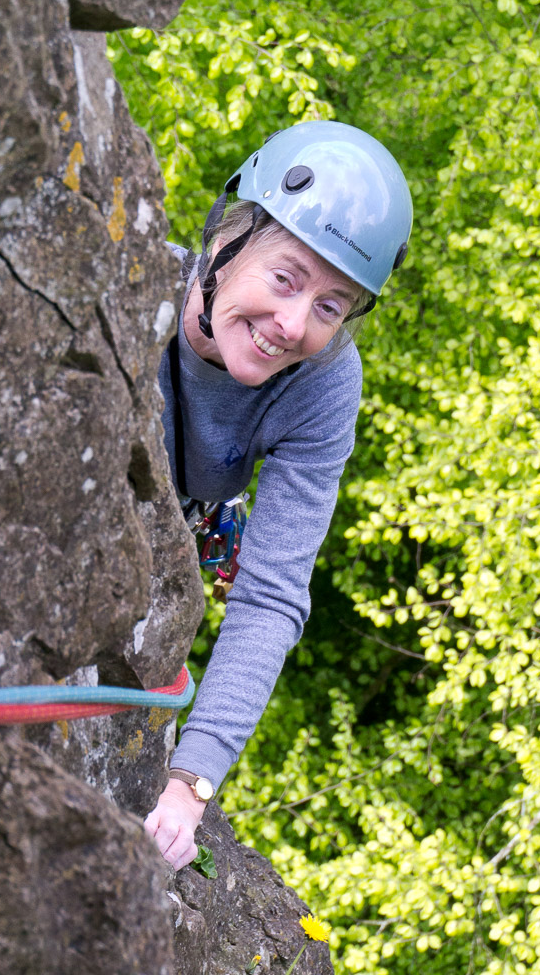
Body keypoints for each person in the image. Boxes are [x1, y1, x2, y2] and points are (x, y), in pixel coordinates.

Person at [142, 121, 412, 870]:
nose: (292, 325)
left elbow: (270, 595)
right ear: (227, 244)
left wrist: (190, 782)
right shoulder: (132, 286)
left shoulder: (324, 385)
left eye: (331, 306)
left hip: (183, 526)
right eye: (286, 278)